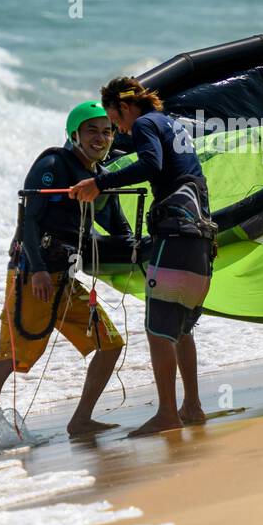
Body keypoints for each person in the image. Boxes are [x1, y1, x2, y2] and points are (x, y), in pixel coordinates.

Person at [0, 102, 134, 450]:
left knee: (110, 344)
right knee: (11, 358)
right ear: (74, 135)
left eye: (107, 131)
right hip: (32, 277)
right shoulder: (52, 164)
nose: (101, 138)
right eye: (92, 131)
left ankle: (80, 419)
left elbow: (119, 228)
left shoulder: (101, 177)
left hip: (65, 282)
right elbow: (29, 222)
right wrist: (37, 269)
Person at [70, 77, 215, 436]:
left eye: (113, 118)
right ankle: (192, 406)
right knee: (180, 329)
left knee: (157, 331)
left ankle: (168, 413)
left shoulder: (147, 123)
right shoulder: (172, 124)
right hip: (199, 237)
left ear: (124, 106)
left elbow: (151, 164)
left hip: (177, 236)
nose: (117, 129)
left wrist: (99, 183)